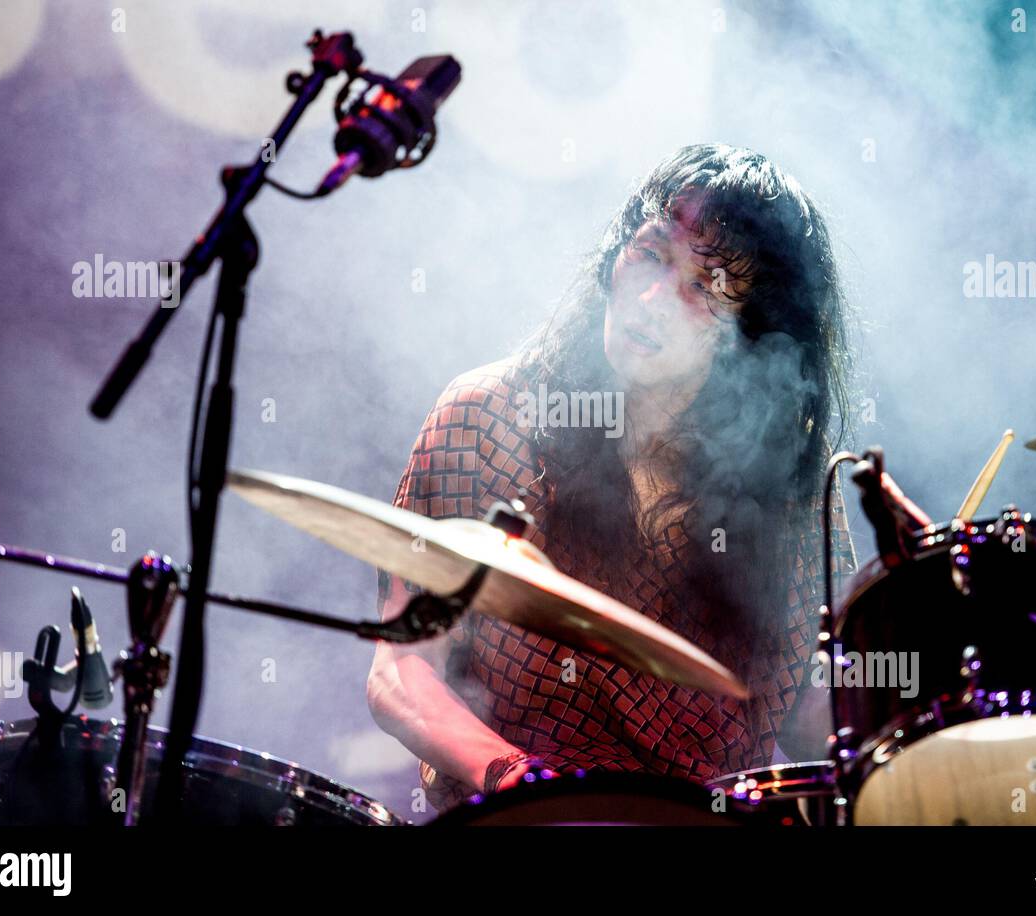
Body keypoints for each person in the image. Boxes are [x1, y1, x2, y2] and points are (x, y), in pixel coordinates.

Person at [367, 143, 895, 814]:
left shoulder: (795, 498)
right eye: (649, 255)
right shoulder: (488, 416)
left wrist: (917, 602)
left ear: (756, 337)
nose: (653, 300)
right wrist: (519, 781)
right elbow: (400, 673)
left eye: (705, 287)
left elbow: (821, 729)